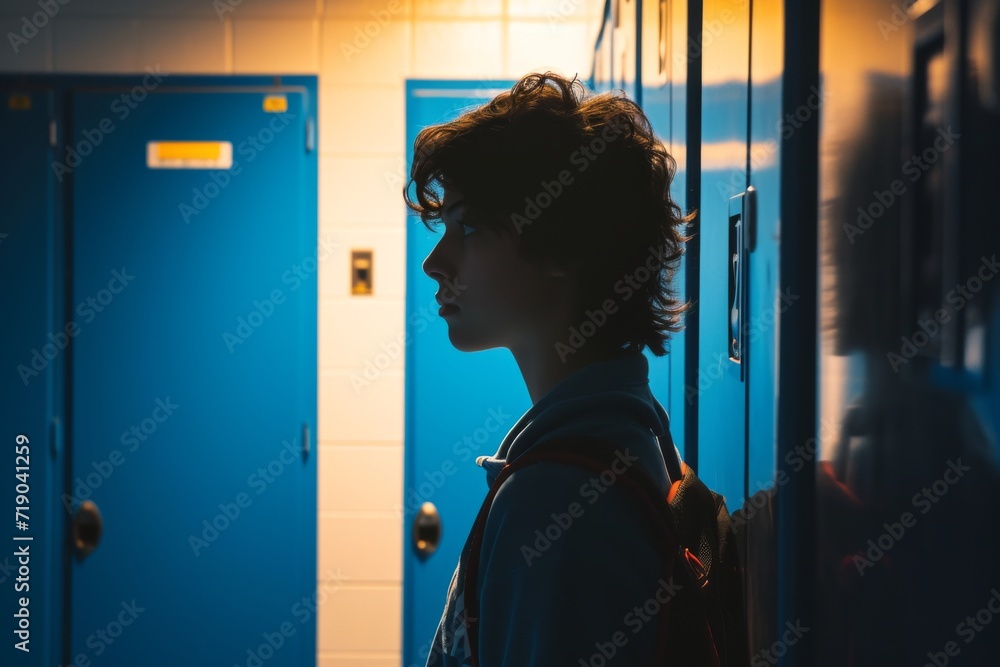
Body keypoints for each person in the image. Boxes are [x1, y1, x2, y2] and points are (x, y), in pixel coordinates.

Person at [403, 71, 694, 666]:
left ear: (563, 244)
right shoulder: (622, 432)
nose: (436, 262)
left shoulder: (558, 503)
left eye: (470, 227)